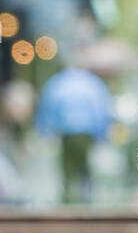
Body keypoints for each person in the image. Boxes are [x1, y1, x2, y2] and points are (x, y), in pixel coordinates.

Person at [35, 66, 113, 204]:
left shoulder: (58, 83)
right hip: (86, 132)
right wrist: (101, 135)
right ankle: (87, 197)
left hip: (67, 133)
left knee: (67, 169)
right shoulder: (92, 83)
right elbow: (101, 110)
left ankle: (68, 199)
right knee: (85, 167)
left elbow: (49, 108)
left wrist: (47, 131)